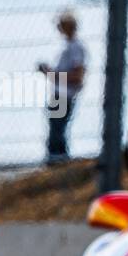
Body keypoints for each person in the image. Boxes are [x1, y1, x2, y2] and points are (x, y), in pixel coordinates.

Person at [37, 11, 86, 163]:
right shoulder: (70, 46)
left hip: (64, 95)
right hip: (61, 94)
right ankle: (58, 162)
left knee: (57, 132)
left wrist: (52, 73)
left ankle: (58, 163)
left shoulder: (75, 47)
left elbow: (77, 76)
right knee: (56, 130)